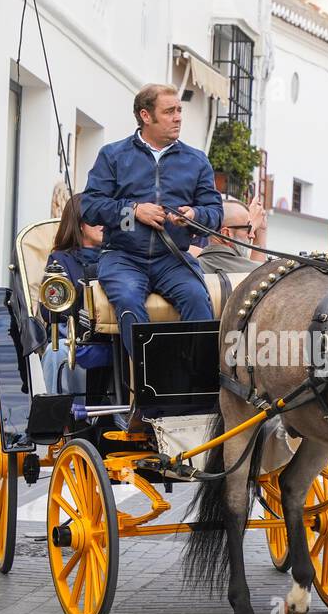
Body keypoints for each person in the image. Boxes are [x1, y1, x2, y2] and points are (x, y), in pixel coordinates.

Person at [81, 83, 221, 355]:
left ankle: (194, 384)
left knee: (197, 300)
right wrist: (133, 211)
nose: (178, 117)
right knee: (129, 301)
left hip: (173, 258)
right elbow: (90, 206)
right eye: (170, 111)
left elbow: (214, 212)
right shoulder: (113, 155)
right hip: (123, 256)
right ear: (146, 116)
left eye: (179, 110)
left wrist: (193, 216)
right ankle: (149, 384)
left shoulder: (197, 161)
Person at [42, 193, 105, 396]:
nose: (103, 223)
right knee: (57, 350)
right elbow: (49, 309)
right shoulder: (60, 260)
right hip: (78, 340)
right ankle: (62, 420)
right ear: (79, 224)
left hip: (113, 342)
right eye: (96, 217)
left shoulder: (119, 259)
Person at [197, 196, 267, 274]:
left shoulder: (189, 267)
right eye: (248, 229)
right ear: (226, 234)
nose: (252, 236)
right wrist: (261, 232)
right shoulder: (258, 272)